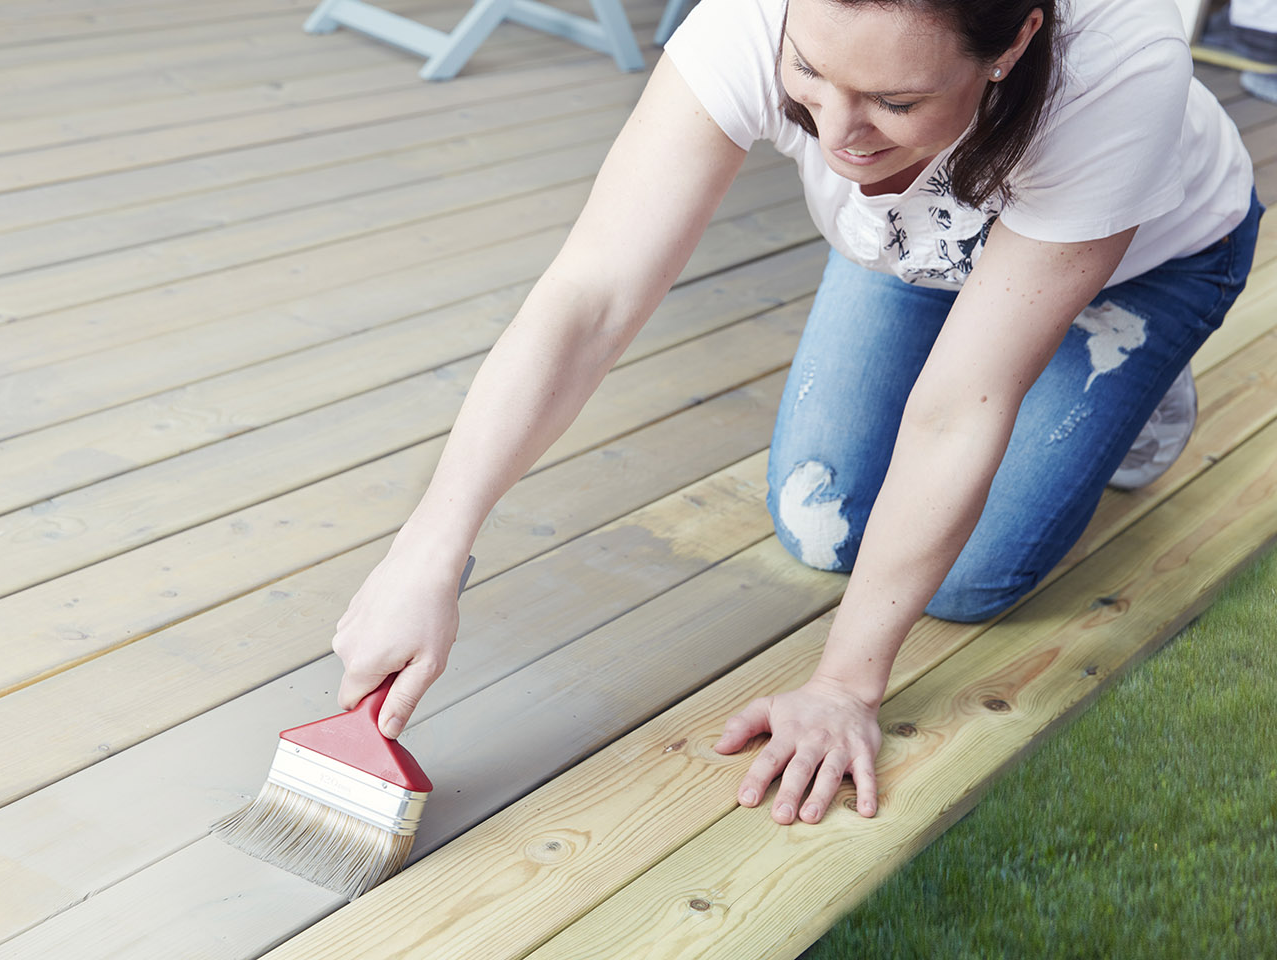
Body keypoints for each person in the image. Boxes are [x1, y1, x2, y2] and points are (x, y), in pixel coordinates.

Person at [332, 0, 1263, 827]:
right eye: (811, 74)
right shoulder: (749, 21)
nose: (838, 136)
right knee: (822, 528)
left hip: (1138, 265)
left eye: (895, 101)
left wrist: (845, 685)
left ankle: (1131, 384)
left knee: (966, 582)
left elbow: (957, 410)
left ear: (1016, 40)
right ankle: (960, 270)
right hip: (910, 243)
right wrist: (429, 550)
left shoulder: (1115, 71)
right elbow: (593, 295)